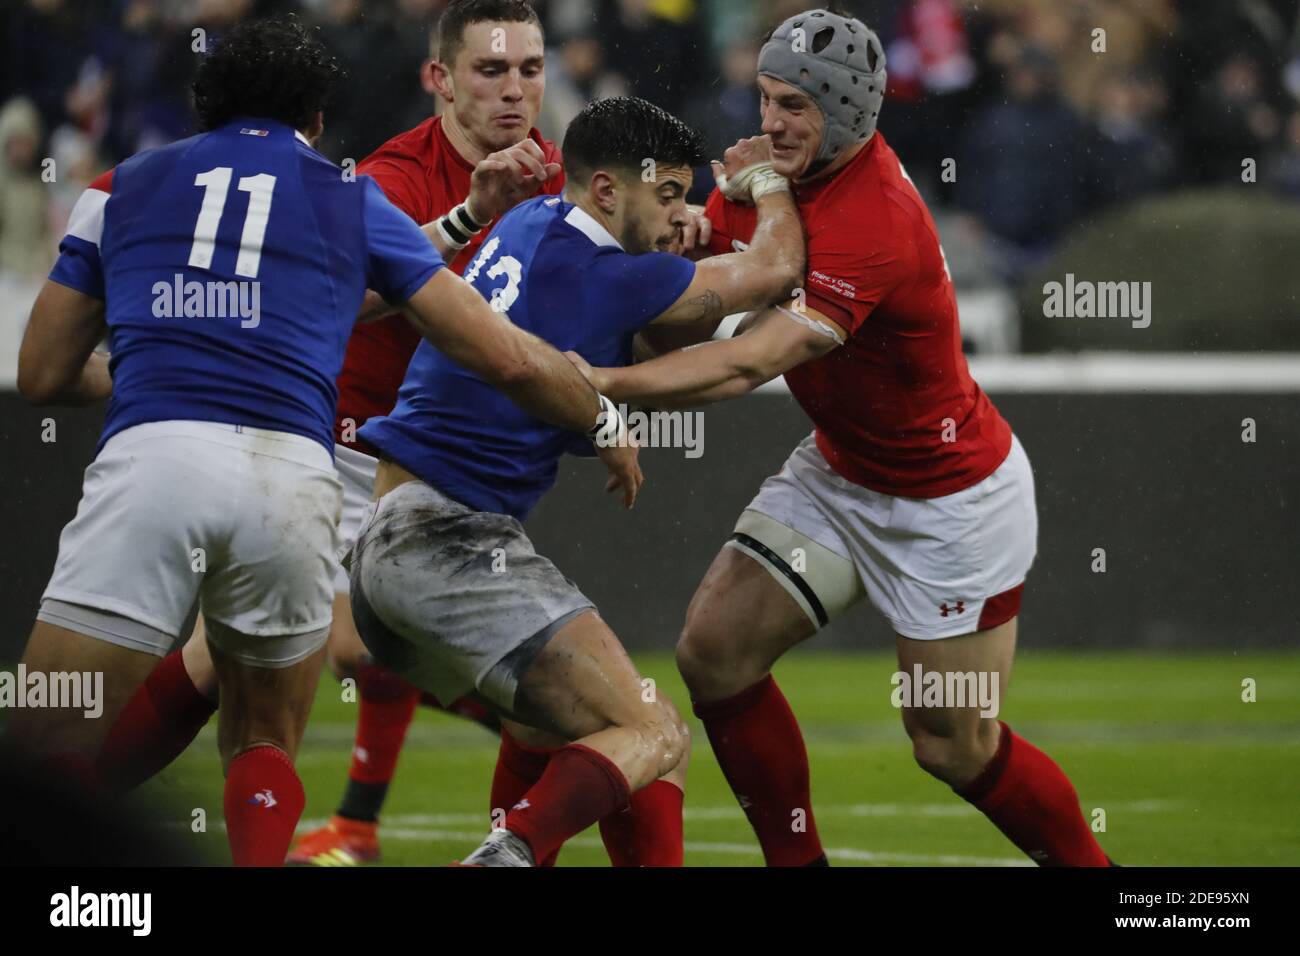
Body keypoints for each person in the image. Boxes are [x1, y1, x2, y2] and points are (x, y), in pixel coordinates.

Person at [9, 14, 620, 867]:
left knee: (42, 736)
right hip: (295, 473)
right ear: (319, 124)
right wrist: (599, 412)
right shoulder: (350, 195)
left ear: (202, 105)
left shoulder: (121, 185)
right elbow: (497, 349)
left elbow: (41, 374)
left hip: (156, 461)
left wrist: (161, 366)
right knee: (263, 739)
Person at [571, 8, 1114, 867]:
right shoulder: (768, 174)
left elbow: (745, 365)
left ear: (852, 113)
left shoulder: (877, 219)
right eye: (765, 98)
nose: (770, 123)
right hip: (842, 469)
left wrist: (600, 384)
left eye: (795, 106)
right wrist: (675, 247)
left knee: (951, 745)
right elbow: (704, 285)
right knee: (712, 658)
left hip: (952, 503)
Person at [349, 95, 805, 867]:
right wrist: (766, 183)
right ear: (604, 191)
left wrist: (671, 238)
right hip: (446, 541)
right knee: (655, 731)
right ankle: (508, 852)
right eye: (666, 196)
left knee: (552, 728)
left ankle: (516, 840)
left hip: (383, 548)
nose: (677, 214)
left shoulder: (526, 224)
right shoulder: (609, 274)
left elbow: (605, 311)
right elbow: (775, 269)